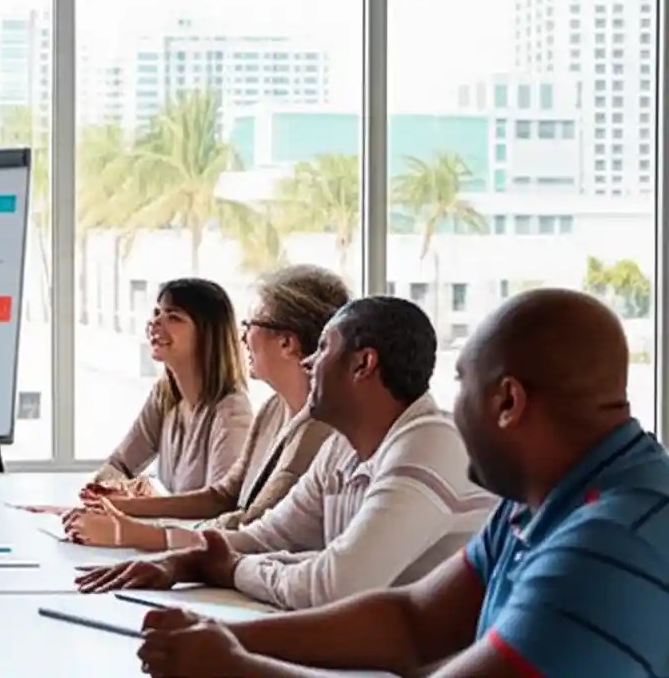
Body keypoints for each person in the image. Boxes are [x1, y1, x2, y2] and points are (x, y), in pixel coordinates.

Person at [133, 289, 669, 678]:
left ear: (508, 402)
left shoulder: (607, 545)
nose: (451, 412)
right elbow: (412, 620)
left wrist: (239, 668)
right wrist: (225, 636)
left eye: (462, 386)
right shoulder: (540, 500)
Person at [78, 296, 494, 610]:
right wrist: (182, 562)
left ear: (363, 364)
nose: (309, 362)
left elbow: (335, 586)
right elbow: (266, 537)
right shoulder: (341, 447)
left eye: (324, 348)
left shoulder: (430, 444)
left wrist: (230, 568)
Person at [65, 265, 347, 549]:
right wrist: (118, 506)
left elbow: (252, 526)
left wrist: (131, 532)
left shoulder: (318, 429)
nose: (243, 337)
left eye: (251, 325)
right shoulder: (272, 409)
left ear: (286, 343)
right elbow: (222, 495)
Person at [83, 278, 253, 498]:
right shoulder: (164, 397)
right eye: (157, 313)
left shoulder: (233, 412)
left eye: (173, 317)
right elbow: (121, 465)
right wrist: (94, 491)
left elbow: (219, 504)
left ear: (207, 333)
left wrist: (138, 503)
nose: (154, 323)